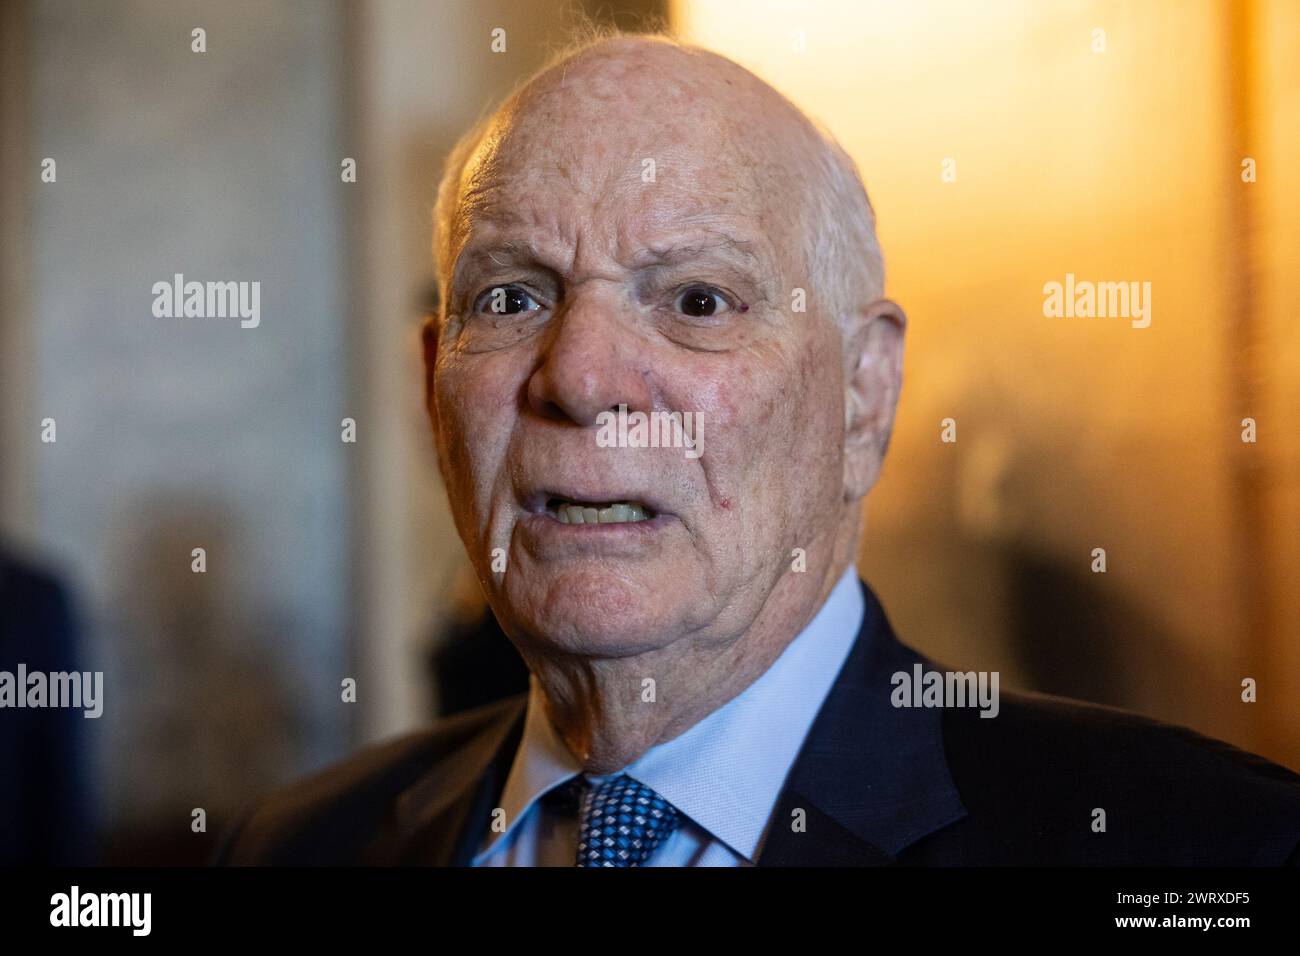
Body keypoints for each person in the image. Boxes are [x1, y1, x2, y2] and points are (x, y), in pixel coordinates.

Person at [214, 32, 1300, 867]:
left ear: (862, 394)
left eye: (697, 297)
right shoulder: (295, 845)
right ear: (430, 384)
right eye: (509, 295)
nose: (580, 377)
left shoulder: (1208, 847)